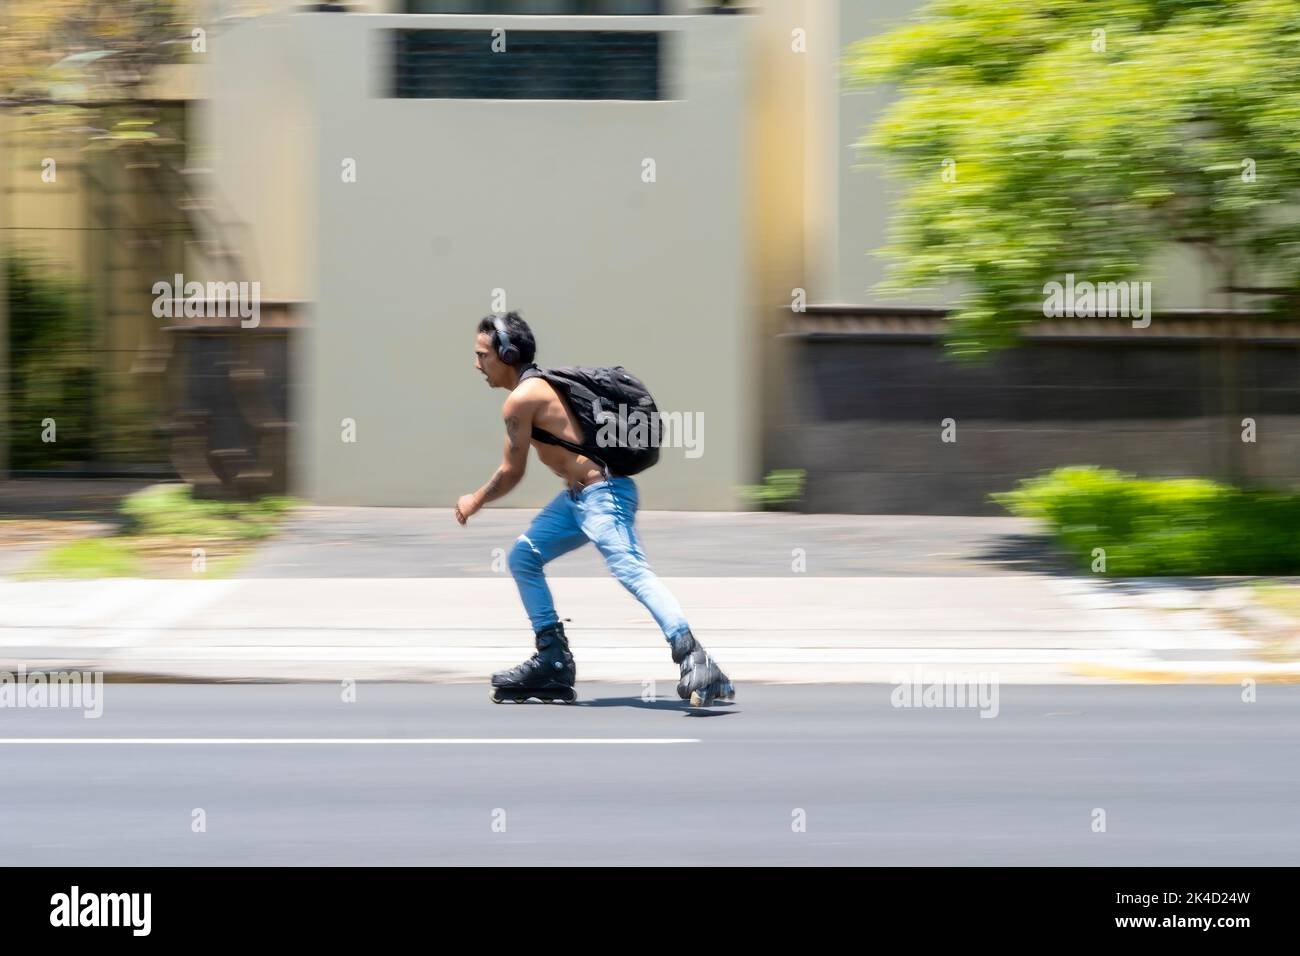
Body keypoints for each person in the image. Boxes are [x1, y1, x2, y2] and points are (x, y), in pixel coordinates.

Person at [455, 311, 735, 706]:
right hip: (577, 499)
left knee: (630, 569)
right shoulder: (532, 392)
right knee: (523, 557)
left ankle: (694, 655)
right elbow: (513, 466)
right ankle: (553, 660)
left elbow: (511, 472)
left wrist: (475, 500)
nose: (476, 364)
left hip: (603, 495)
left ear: (507, 353)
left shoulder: (522, 398)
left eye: (483, 354)